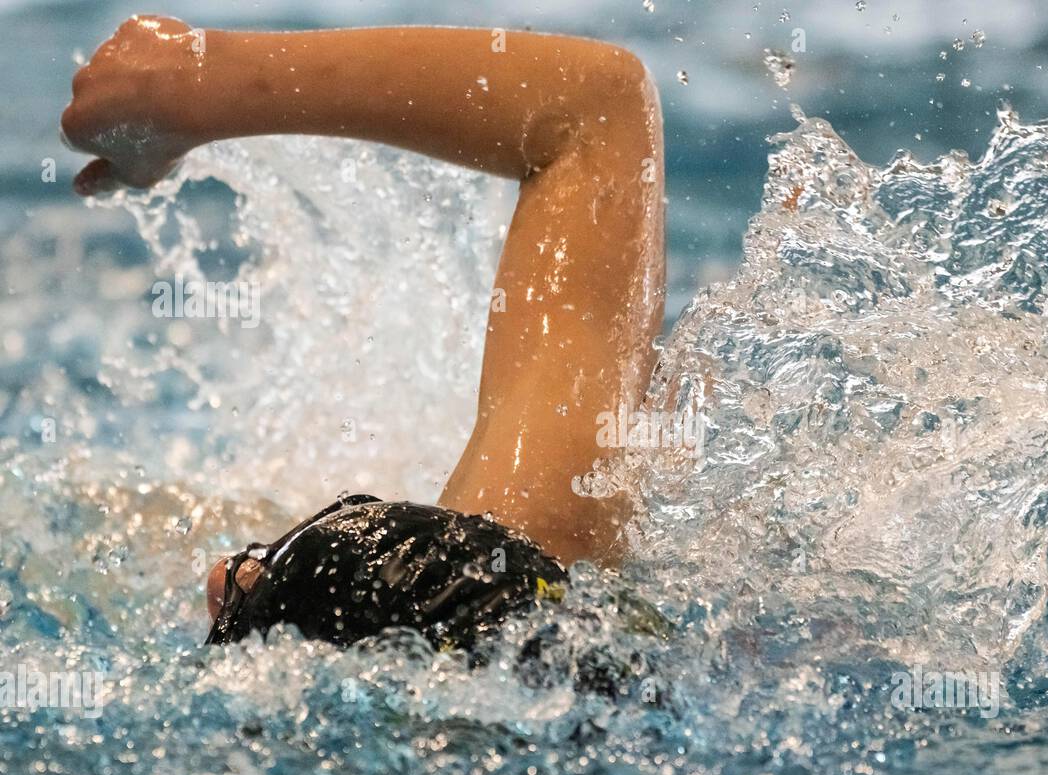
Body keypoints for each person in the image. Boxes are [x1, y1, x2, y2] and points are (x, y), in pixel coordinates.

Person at [60, 15, 666, 649]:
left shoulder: (551, 600)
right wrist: (191, 82)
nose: (227, 572)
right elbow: (596, 108)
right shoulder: (542, 604)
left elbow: (596, 111)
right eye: (261, 566)